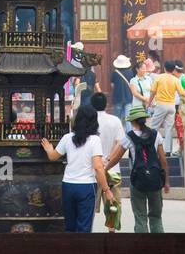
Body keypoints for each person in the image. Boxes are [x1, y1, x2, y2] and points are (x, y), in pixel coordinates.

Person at [41, 103, 114, 233]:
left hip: (68, 185)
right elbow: (98, 167)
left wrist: (49, 148)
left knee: (70, 225)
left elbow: (52, 157)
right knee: (84, 227)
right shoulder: (94, 140)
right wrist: (106, 190)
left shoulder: (67, 138)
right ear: (93, 121)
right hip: (86, 187)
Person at [107, 101, 169, 233]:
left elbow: (116, 157)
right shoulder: (156, 135)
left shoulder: (129, 137)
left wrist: (105, 169)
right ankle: (160, 247)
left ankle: (142, 248)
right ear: (145, 120)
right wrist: (166, 181)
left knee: (140, 217)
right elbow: (163, 161)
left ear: (132, 122)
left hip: (138, 181)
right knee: (156, 217)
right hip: (155, 181)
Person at [91, 93, 127, 232]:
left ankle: (88, 230)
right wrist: (109, 160)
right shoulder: (115, 120)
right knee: (113, 203)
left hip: (93, 168)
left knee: (89, 203)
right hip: (112, 169)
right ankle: (111, 231)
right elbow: (120, 143)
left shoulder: (89, 121)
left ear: (91, 105)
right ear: (106, 104)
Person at [148, 60, 181, 156]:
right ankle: (167, 151)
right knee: (169, 129)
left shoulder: (159, 78)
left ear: (164, 68)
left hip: (161, 105)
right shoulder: (176, 80)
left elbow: (153, 91)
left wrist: (149, 103)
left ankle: (152, 149)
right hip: (171, 106)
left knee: (154, 127)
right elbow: (181, 93)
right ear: (173, 69)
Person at [110, 54, 134, 124]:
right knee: (128, 119)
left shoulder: (115, 73)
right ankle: (129, 134)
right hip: (128, 97)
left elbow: (112, 85)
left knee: (117, 119)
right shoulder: (130, 72)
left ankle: (117, 133)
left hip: (118, 97)